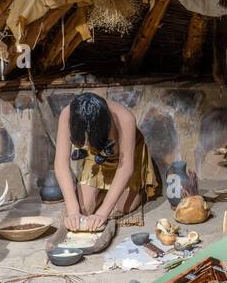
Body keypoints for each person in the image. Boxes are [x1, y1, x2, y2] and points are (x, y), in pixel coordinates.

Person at [53, 92, 160, 232]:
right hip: (95, 157)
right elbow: (61, 163)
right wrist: (73, 211)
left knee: (124, 207)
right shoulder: (68, 114)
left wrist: (102, 213)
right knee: (84, 208)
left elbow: (126, 167)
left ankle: (109, 193)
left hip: (124, 157)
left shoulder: (125, 118)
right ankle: (100, 191)